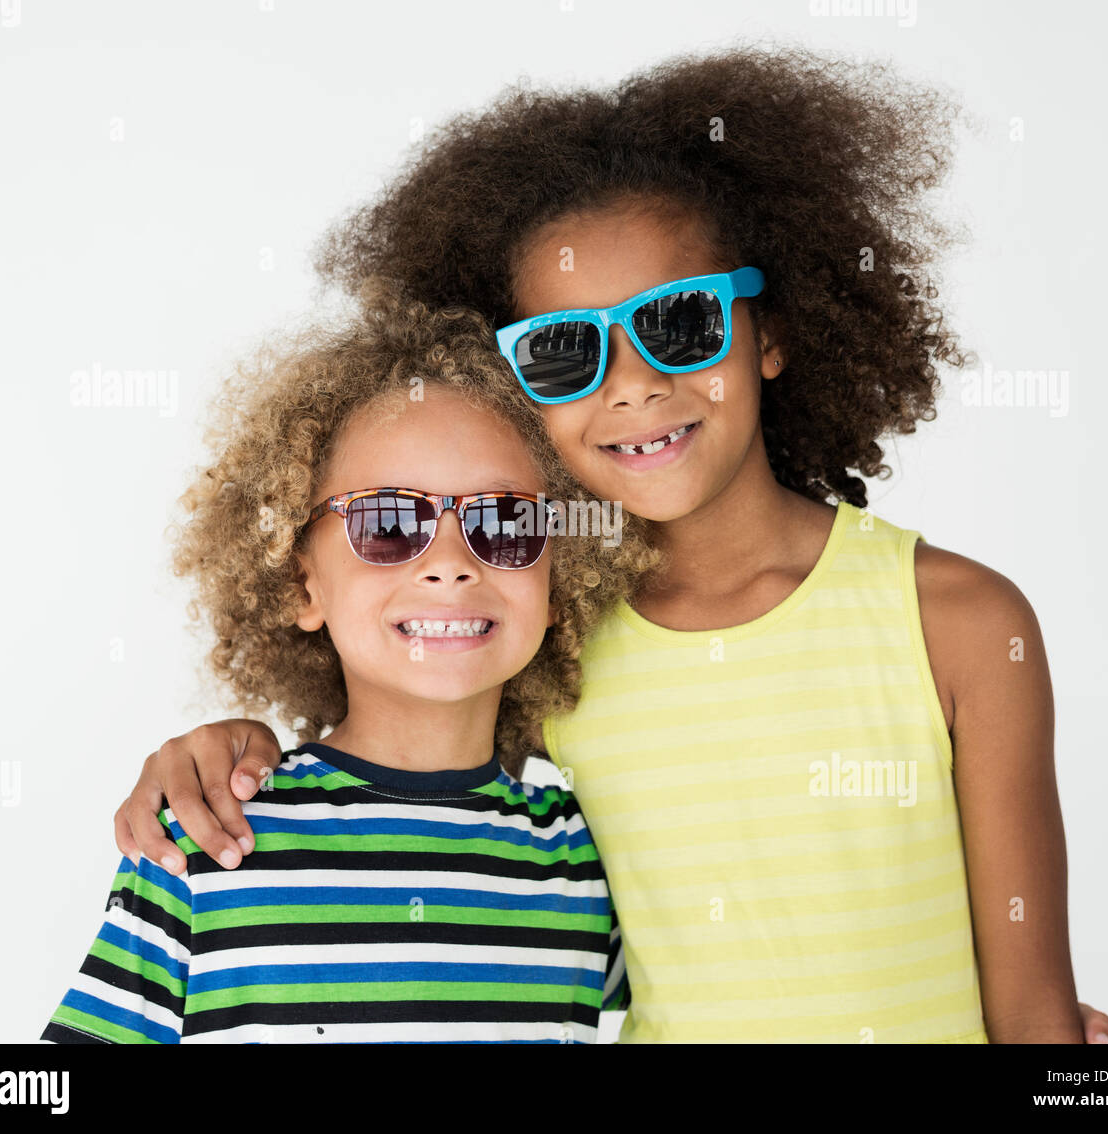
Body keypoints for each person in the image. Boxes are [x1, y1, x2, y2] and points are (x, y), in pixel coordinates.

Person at [112, 45, 1108, 1043]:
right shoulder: (549, 646)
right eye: (562, 349)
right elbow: (403, 757)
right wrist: (218, 748)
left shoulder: (961, 624)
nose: (630, 384)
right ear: (514, 398)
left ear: (767, 331)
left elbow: (1034, 1015)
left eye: (681, 323)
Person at [43, 280, 658, 1043]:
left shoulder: (576, 860)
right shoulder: (209, 839)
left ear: (558, 577)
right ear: (304, 582)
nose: (450, 565)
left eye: (504, 521)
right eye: (389, 522)